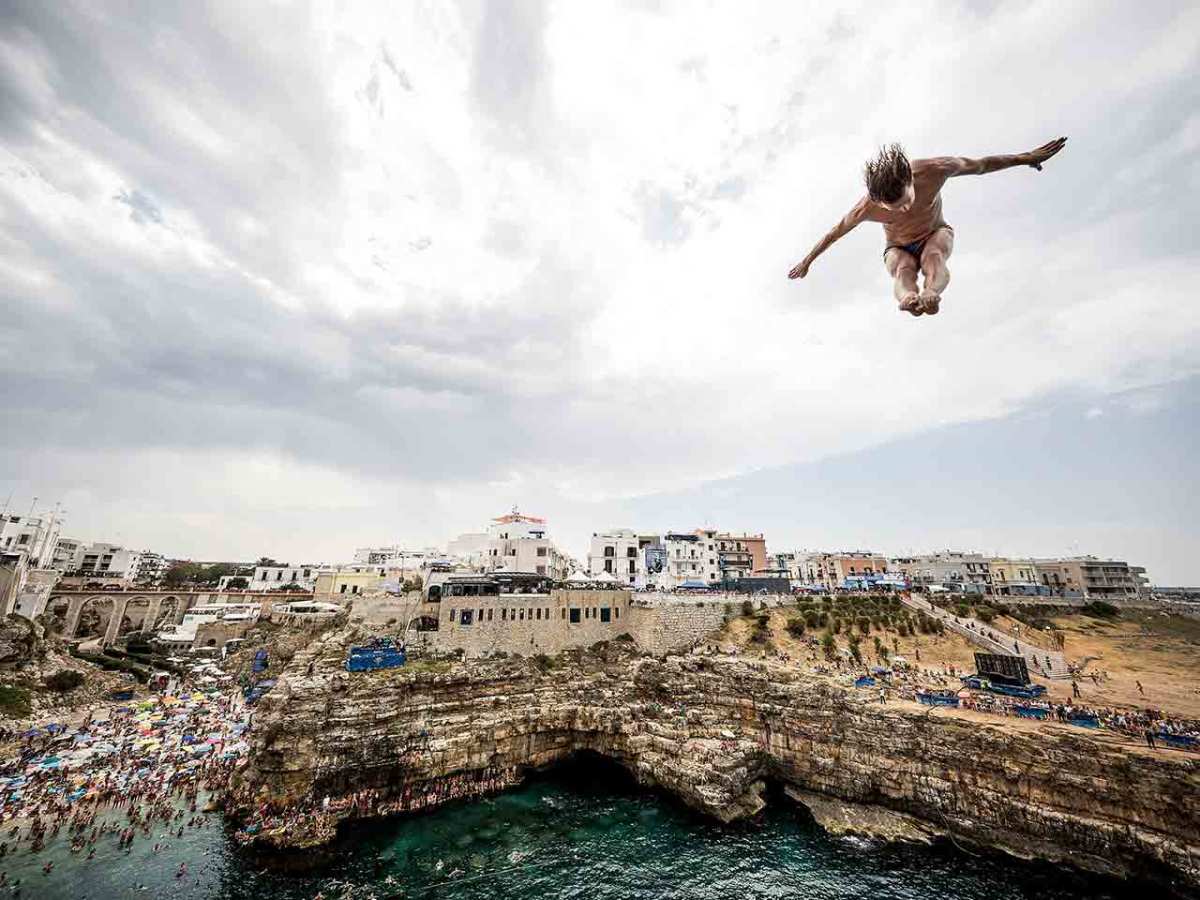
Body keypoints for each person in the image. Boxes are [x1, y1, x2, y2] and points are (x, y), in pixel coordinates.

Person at [789, 138, 1068, 315]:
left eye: (906, 200)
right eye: (894, 208)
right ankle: (909, 298)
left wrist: (1026, 158)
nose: (904, 209)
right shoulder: (865, 208)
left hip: (935, 231)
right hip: (898, 245)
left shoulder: (936, 169)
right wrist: (807, 261)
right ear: (878, 202)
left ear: (911, 179)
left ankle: (931, 293)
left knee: (933, 255)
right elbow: (833, 233)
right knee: (902, 267)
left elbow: (982, 165)